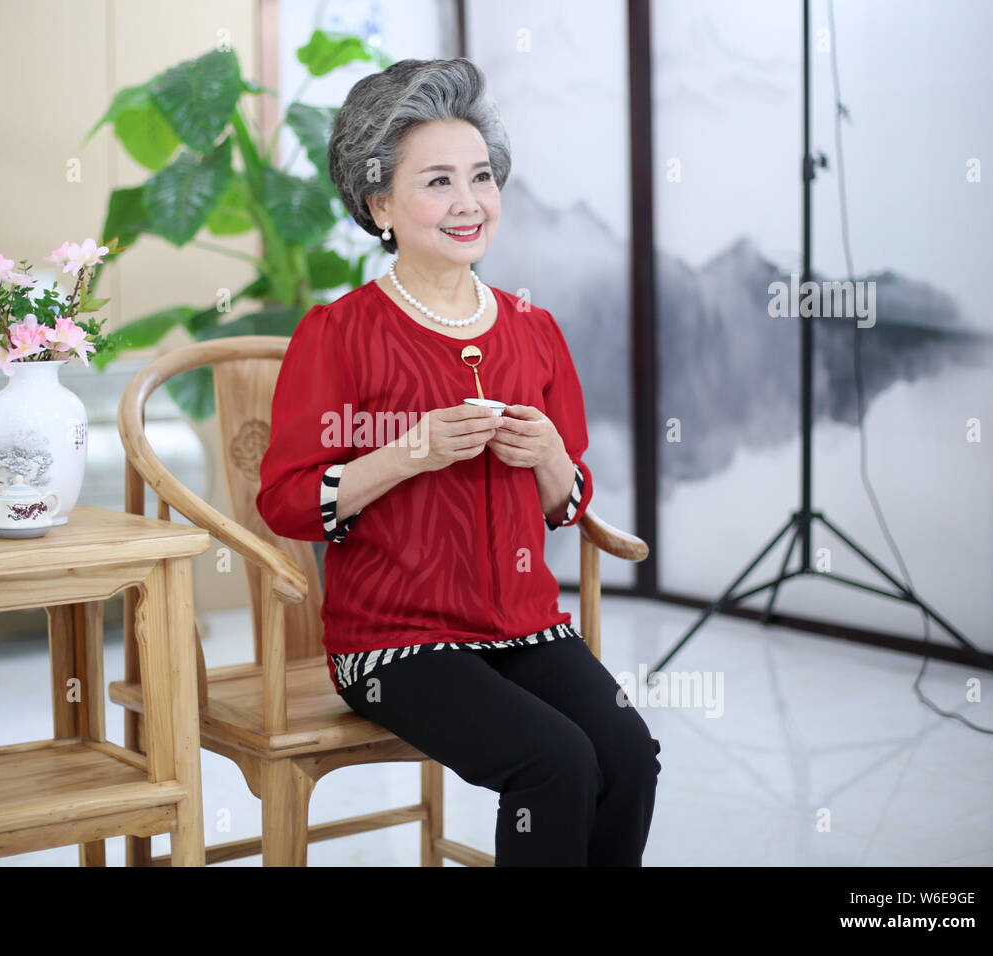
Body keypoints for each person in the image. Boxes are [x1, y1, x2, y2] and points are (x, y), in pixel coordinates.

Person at [255, 57, 661, 866]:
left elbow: (569, 498)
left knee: (627, 754)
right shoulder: (337, 333)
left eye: (481, 176)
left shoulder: (532, 329)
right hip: (393, 644)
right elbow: (289, 503)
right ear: (380, 204)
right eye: (437, 182)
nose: (469, 202)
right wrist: (408, 452)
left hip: (524, 625)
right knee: (555, 761)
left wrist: (548, 455)